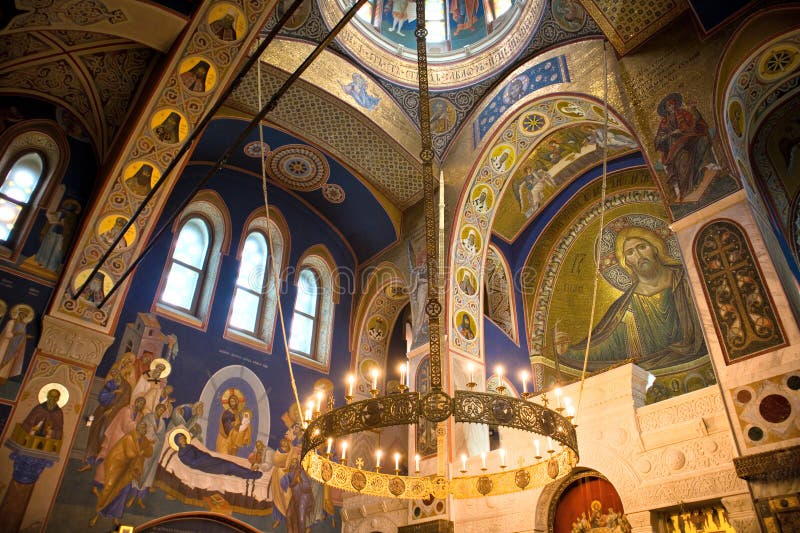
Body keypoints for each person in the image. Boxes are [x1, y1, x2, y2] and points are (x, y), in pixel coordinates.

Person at [561, 227, 707, 371]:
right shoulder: (624, 306)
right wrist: (568, 351)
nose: (638, 255)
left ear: (655, 248)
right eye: (630, 253)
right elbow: (602, 344)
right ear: (627, 262)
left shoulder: (688, 280)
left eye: (642, 247)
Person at [89, 420, 154, 528]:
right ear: (137, 428)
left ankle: (116, 517)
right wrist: (140, 453)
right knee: (109, 489)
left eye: (145, 428)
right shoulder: (129, 437)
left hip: (129, 471)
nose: (143, 429)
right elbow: (130, 453)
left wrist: (145, 450)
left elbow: (150, 452)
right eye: (142, 427)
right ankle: (98, 514)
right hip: (118, 467)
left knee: (123, 493)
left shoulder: (144, 440)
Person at [654, 93, 716, 202]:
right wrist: (671, 134)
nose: (671, 107)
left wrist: (693, 109)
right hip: (674, 146)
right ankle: (686, 188)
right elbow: (658, 139)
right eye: (669, 106)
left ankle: (706, 168)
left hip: (689, 137)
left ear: (676, 105)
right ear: (666, 109)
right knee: (683, 157)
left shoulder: (683, 113)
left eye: (672, 105)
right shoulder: (664, 123)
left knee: (703, 141)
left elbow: (694, 122)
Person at [79, 366, 131, 472]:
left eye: (117, 372)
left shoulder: (126, 386)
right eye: (113, 373)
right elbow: (101, 397)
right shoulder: (110, 384)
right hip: (102, 412)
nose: (115, 374)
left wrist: (113, 409)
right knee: (96, 435)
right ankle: (89, 462)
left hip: (116, 415)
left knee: (108, 437)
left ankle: (103, 464)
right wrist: (113, 393)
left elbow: (126, 401)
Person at [127, 403, 168, 509]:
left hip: (154, 452)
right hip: (144, 449)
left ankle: (140, 499)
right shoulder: (148, 417)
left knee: (148, 475)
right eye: (160, 408)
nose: (161, 411)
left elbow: (162, 437)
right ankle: (132, 497)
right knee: (139, 471)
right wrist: (149, 440)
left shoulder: (163, 423)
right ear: (156, 408)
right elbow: (141, 430)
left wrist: (157, 442)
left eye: (163, 410)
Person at [174, 432, 262, 479]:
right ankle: (251, 475)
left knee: (231, 464)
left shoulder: (191, 446)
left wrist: (206, 455)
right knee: (230, 466)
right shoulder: (182, 454)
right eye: (181, 439)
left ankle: (249, 473)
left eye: (183, 438)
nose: (183, 440)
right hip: (206, 466)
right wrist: (204, 459)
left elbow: (200, 452)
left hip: (209, 460)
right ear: (178, 442)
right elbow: (193, 464)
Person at [35, 199, 80, 272]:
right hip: (53, 232)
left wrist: (64, 223)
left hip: (62, 236)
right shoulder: (59, 212)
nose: (67, 209)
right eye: (67, 206)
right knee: (47, 246)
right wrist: (54, 220)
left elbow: (71, 228)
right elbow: (51, 220)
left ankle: (52, 267)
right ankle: (41, 262)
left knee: (57, 250)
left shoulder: (73, 217)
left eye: (70, 207)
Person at [0, 304, 33, 384]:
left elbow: (22, 336)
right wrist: (16, 333)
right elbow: (8, 334)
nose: (23, 316)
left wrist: (25, 336)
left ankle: (2, 377)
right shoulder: (11, 322)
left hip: (15, 347)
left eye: (25, 315)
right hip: (6, 345)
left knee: (10, 363)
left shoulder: (23, 326)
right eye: (22, 314)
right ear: (18, 313)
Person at [215, 389, 252, 456]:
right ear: (229, 403)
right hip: (225, 443)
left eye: (234, 401)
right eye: (231, 402)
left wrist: (246, 422)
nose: (232, 403)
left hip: (232, 445)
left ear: (237, 402)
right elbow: (229, 430)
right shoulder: (227, 414)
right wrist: (242, 427)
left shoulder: (236, 414)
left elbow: (238, 427)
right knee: (224, 461)